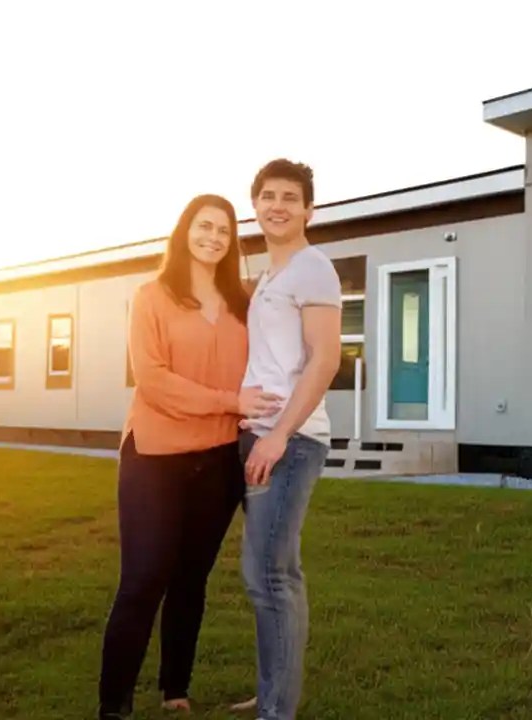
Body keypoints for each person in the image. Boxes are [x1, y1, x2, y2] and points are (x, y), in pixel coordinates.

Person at [97, 193, 280, 719]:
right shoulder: (151, 296)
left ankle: (175, 688)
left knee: (191, 579)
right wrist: (229, 402)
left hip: (219, 459)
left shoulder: (245, 303)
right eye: (204, 226)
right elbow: (152, 381)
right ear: (184, 231)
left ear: (232, 242)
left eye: (224, 230)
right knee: (143, 578)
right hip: (155, 454)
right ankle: (114, 705)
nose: (213, 237)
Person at [234, 159, 342, 720]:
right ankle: (274, 691)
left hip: (292, 441)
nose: (277, 205)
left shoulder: (312, 266)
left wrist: (278, 435)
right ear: (255, 204)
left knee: (271, 575)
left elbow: (326, 359)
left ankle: (277, 709)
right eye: (268, 196)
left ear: (308, 210)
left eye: (290, 198)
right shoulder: (271, 277)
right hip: (262, 434)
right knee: (267, 574)